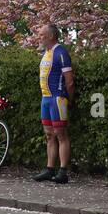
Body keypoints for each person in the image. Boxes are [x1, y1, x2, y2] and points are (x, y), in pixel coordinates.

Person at [32, 22, 75, 184]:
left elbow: (69, 81)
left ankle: (63, 171)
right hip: (46, 99)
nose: (40, 37)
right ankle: (49, 169)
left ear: (50, 36)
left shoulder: (61, 52)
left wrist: (68, 100)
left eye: (42, 35)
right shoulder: (46, 53)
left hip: (58, 99)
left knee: (61, 135)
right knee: (49, 134)